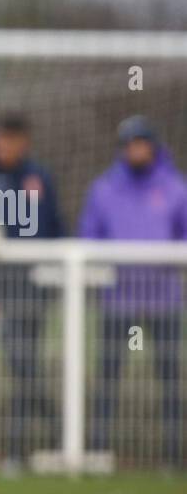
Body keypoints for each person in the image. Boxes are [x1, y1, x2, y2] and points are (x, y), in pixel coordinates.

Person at [79, 115, 187, 466]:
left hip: (164, 299)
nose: (136, 149)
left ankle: (173, 455)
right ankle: (98, 451)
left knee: (170, 377)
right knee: (107, 375)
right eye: (129, 143)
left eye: (141, 142)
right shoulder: (105, 189)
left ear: (152, 145)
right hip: (117, 300)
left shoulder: (175, 188)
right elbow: (89, 236)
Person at [0, 114, 64, 467]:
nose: (4, 147)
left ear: (24, 142)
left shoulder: (39, 177)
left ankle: (20, 448)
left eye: (11, 140)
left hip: (36, 290)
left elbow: (56, 227)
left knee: (26, 364)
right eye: (0, 139)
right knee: (23, 364)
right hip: (1, 293)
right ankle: (47, 434)